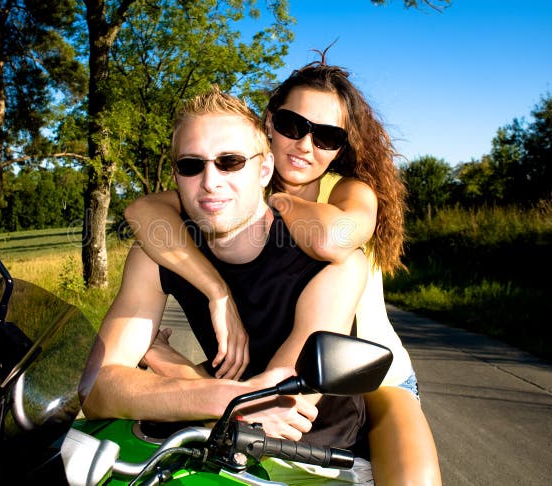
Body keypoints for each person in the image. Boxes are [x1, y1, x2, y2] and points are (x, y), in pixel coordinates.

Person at [124, 62, 441, 485]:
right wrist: (216, 290)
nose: (306, 145)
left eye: (327, 136)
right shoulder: (237, 182)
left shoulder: (347, 190)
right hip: (278, 368)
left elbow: (331, 239)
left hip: (373, 376)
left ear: (340, 148)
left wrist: (282, 201)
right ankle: (174, 366)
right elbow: (142, 211)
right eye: (293, 125)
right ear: (270, 122)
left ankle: (170, 361)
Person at [80, 86, 374, 482]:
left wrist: (172, 371)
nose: (210, 181)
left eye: (230, 162)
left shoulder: (332, 265)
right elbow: (96, 387)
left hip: (321, 459)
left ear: (264, 170)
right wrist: (225, 397)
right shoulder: (157, 253)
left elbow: (280, 407)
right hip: (213, 440)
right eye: (191, 165)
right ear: (175, 177)